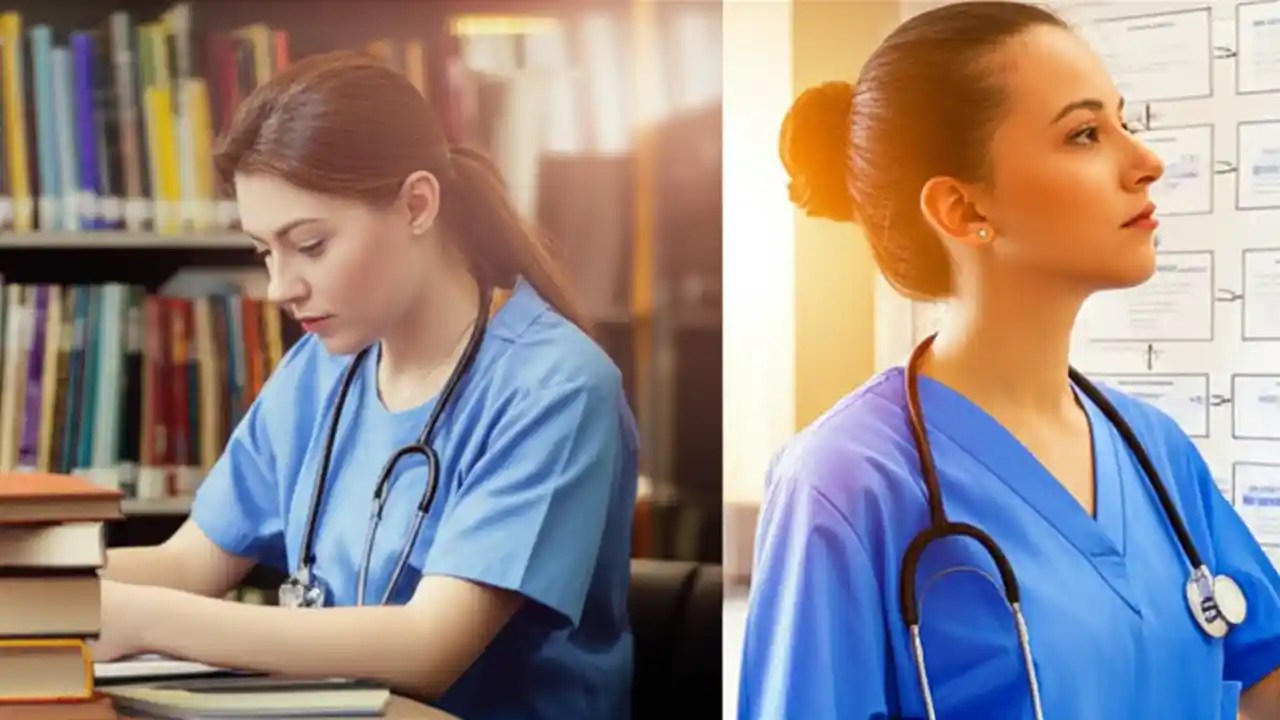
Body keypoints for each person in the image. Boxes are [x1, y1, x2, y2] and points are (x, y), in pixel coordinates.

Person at [738, 2, 1280, 719]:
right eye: (1085, 134)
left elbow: (1266, 674)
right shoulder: (845, 481)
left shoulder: (1156, 450)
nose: (1147, 162)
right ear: (963, 211)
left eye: (1123, 122)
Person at [93, 50, 639, 720]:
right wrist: (41, 588)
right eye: (265, 252)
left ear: (417, 205)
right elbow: (187, 566)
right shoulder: (319, 369)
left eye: (311, 246)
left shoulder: (556, 388)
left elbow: (429, 648)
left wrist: (144, 618)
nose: (279, 288)